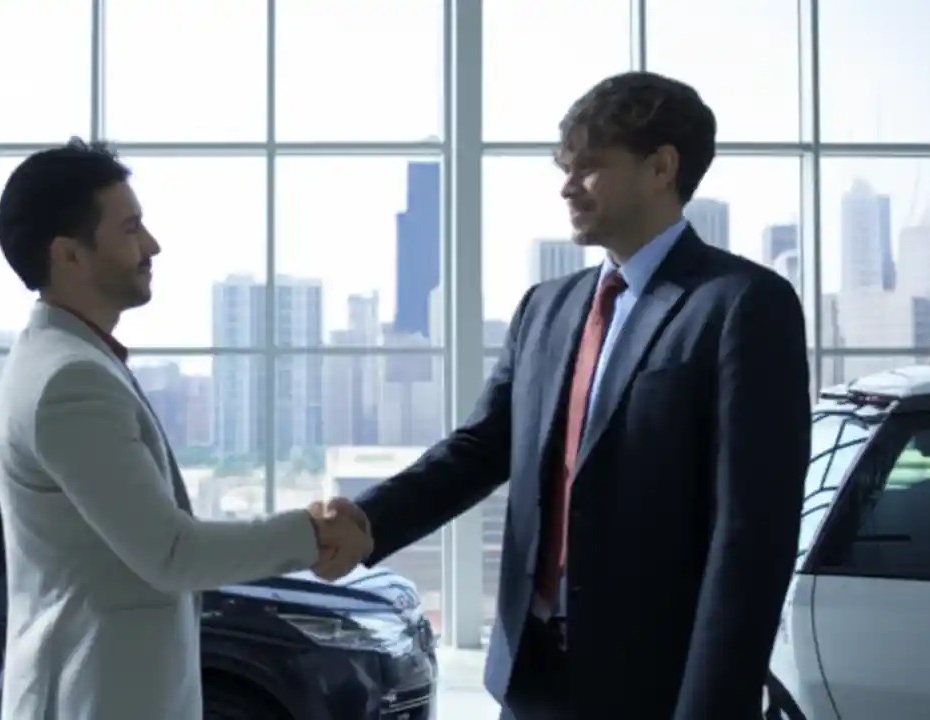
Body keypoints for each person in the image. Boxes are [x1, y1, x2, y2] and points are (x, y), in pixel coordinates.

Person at [323, 72, 811, 718]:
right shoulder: (546, 309)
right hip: (532, 683)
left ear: (662, 166)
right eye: (565, 167)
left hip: (657, 691)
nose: (566, 185)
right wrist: (367, 523)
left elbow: (750, 540)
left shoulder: (744, 306)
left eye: (589, 168)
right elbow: (479, 450)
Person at [0, 138, 371, 720]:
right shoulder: (71, 381)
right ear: (69, 255)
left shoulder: (66, 360)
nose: (152, 246)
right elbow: (171, 552)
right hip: (95, 698)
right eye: (130, 229)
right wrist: (310, 534)